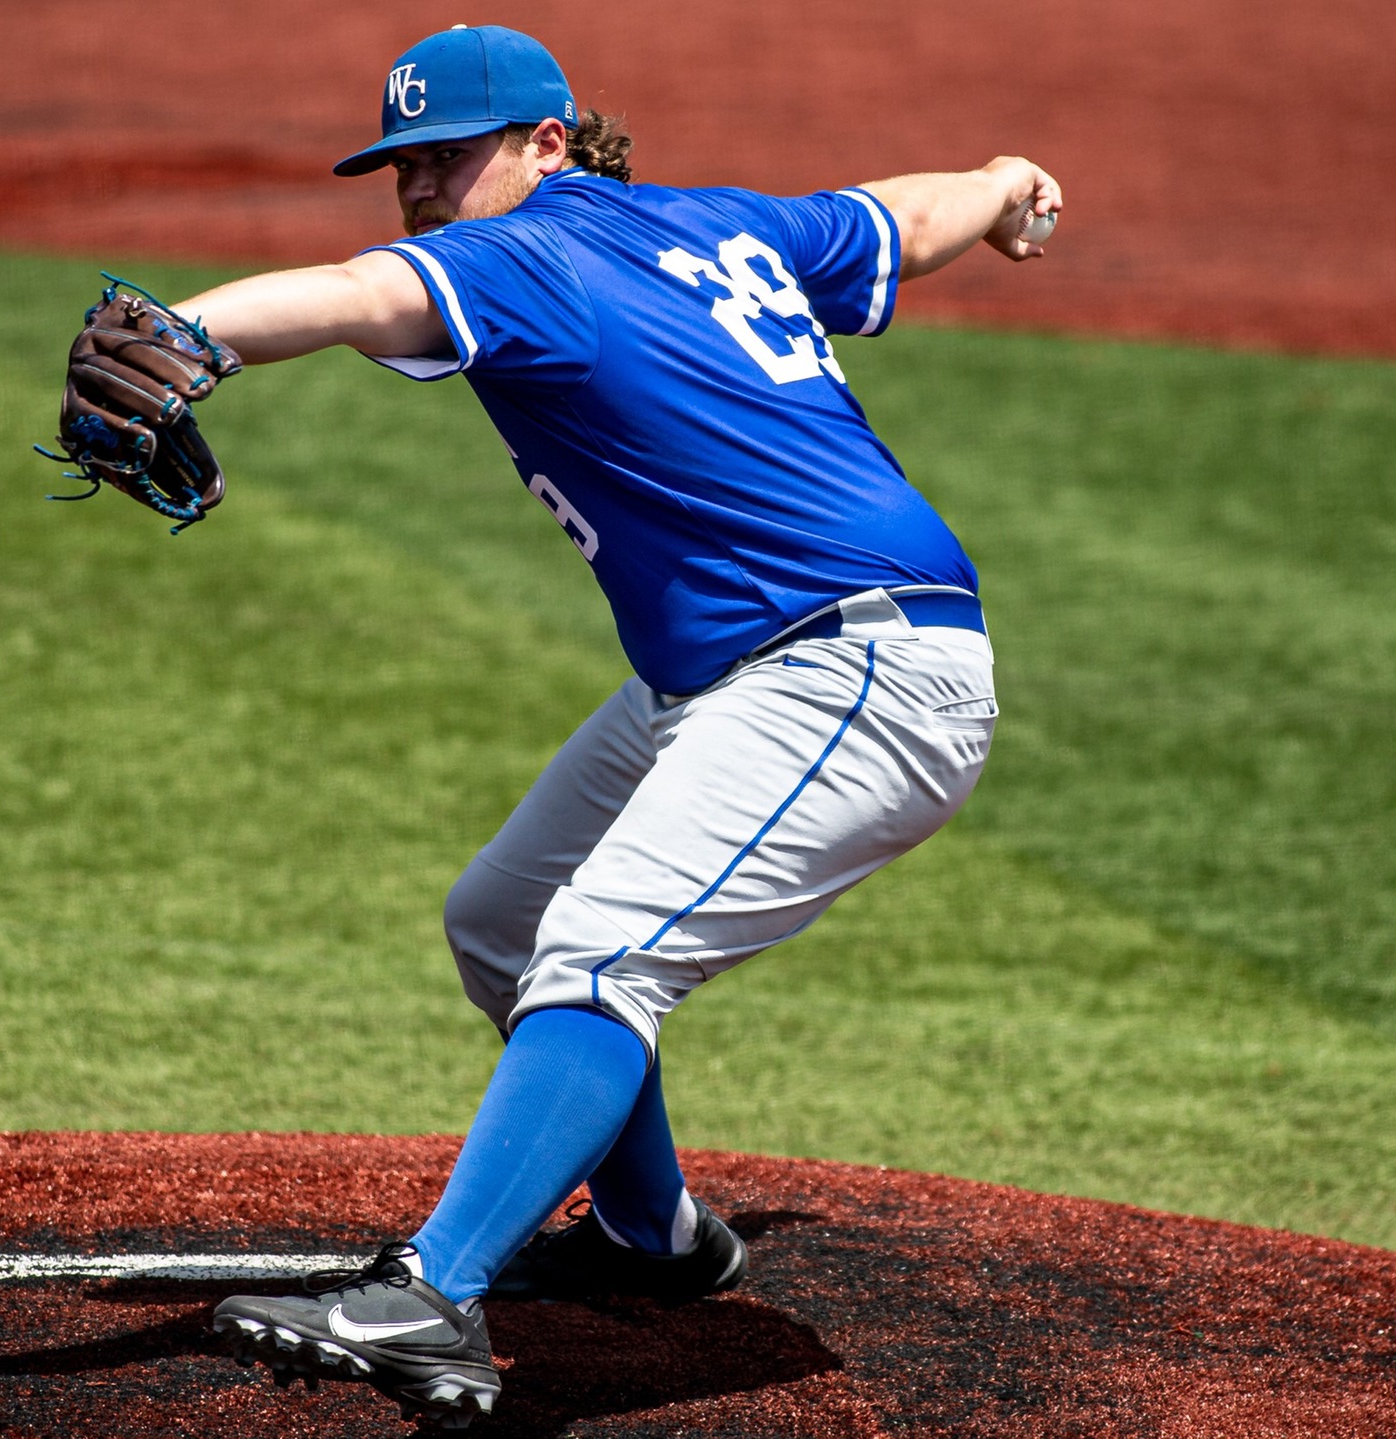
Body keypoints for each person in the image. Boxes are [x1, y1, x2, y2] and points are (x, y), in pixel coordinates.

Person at [190, 24, 1059, 1428]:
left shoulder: (519, 253)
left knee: (600, 952)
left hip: (851, 676)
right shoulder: (717, 226)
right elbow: (898, 216)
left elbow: (354, 296)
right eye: (402, 164)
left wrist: (192, 332)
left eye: (447, 158)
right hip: (732, 672)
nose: (420, 188)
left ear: (548, 143)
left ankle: (432, 1295)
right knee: (506, 920)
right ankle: (654, 1238)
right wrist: (1004, 177)